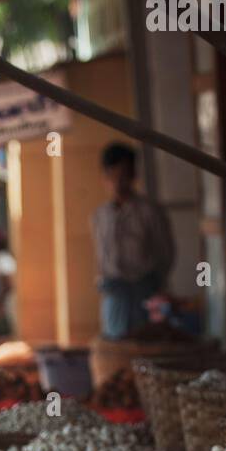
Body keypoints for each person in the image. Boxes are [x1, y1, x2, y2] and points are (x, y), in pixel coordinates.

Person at [90, 143, 175, 340]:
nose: (118, 182)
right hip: (113, 296)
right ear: (105, 176)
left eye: (124, 175)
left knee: (145, 347)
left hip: (145, 294)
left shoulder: (150, 212)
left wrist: (152, 284)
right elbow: (101, 255)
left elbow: (166, 254)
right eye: (113, 175)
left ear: (133, 175)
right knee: (115, 351)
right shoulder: (100, 216)